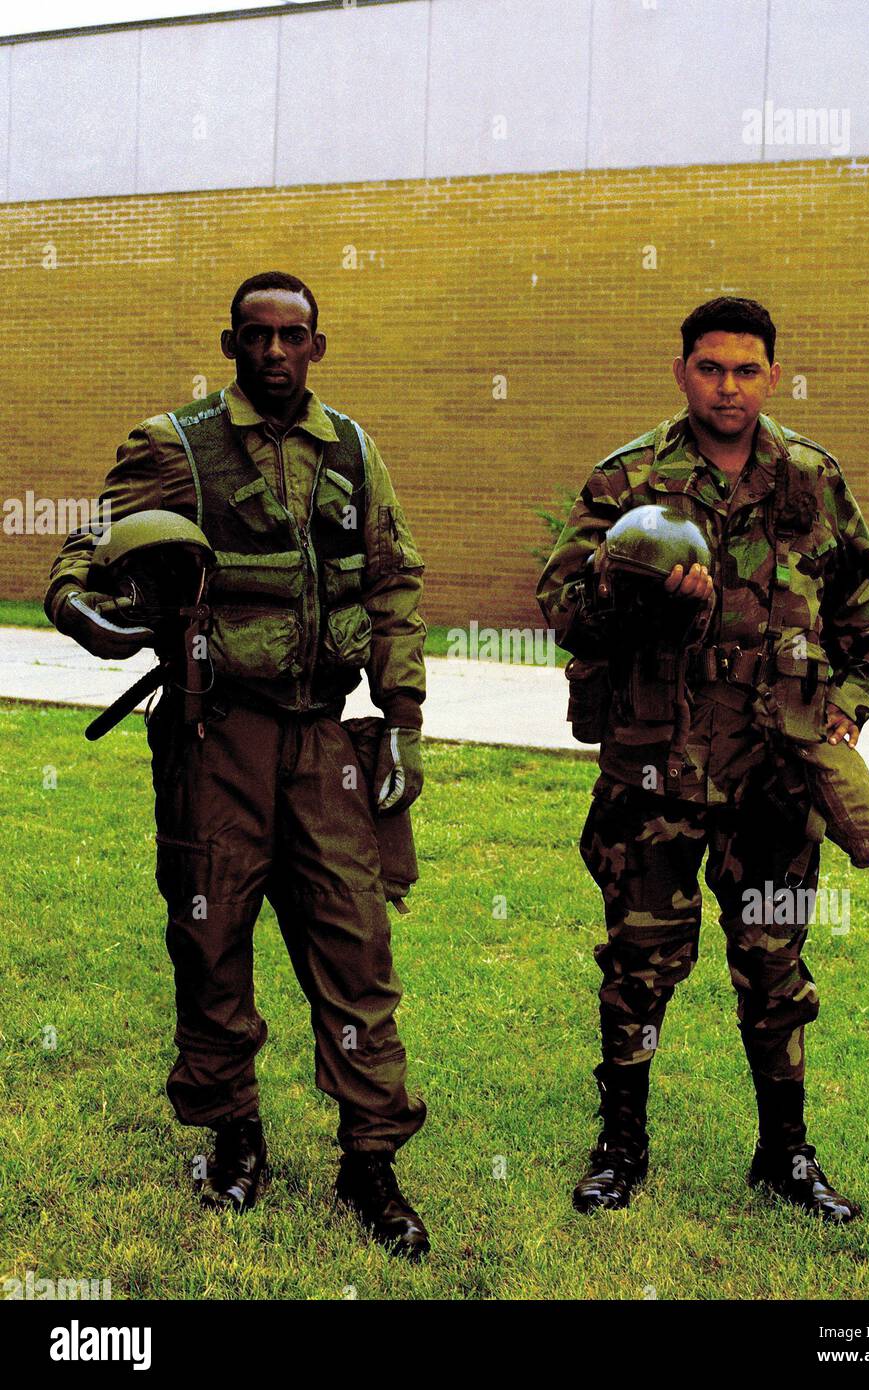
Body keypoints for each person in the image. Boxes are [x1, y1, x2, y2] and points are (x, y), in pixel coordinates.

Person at [45, 271, 431, 1259]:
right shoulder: (174, 445)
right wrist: (84, 610)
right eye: (254, 336)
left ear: (317, 344)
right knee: (210, 938)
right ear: (230, 344)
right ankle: (233, 1134)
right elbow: (89, 550)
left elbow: (392, 582)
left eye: (291, 335)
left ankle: (370, 1161)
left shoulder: (352, 449)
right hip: (215, 737)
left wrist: (402, 717)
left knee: (356, 944)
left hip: (321, 736)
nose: (272, 352)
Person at [537, 296, 869, 1222]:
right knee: (639, 966)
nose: (727, 386)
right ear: (681, 370)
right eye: (709, 368)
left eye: (745, 370)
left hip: (776, 780)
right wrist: (634, 598)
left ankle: (784, 1154)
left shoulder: (811, 478)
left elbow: (864, 609)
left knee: (775, 968)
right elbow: (563, 608)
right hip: (655, 771)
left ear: (772, 375)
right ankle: (621, 1147)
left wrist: (848, 709)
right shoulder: (630, 480)